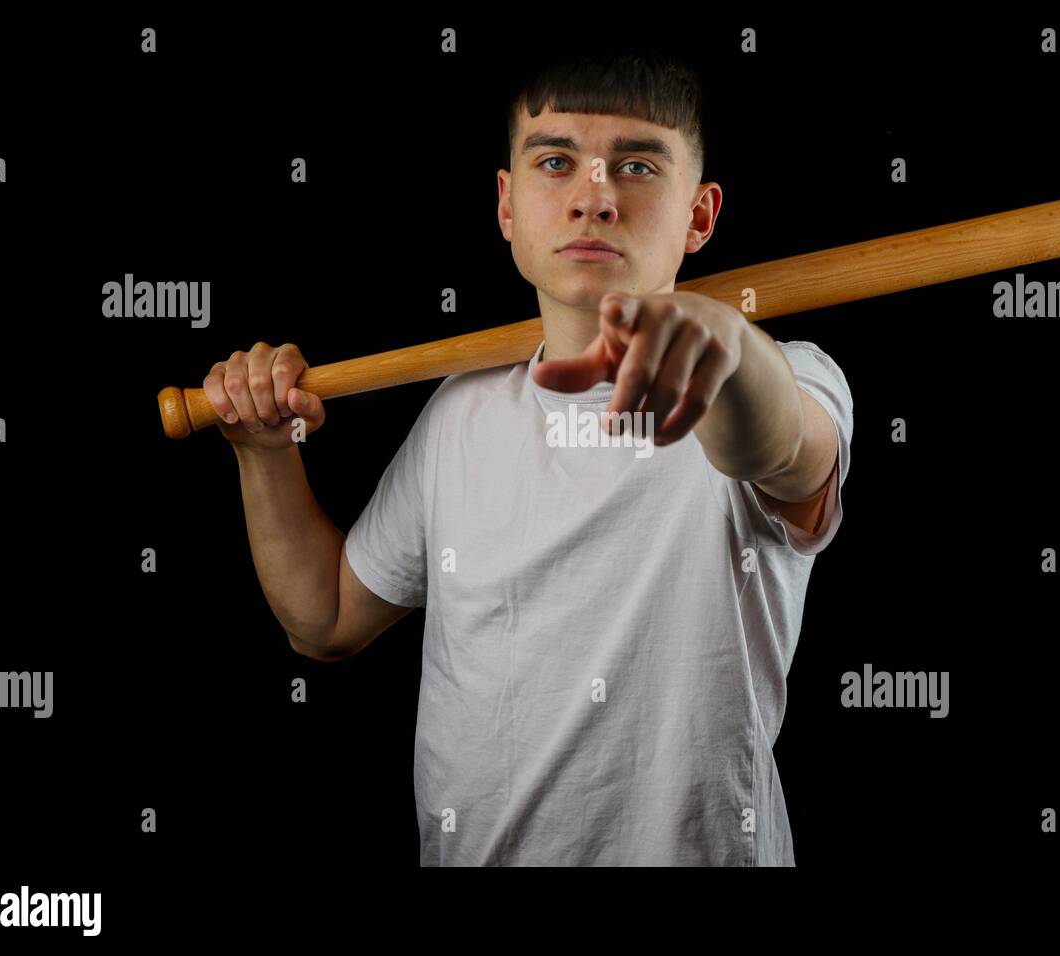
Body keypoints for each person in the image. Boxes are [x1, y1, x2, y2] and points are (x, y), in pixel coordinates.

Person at [203, 51, 853, 865]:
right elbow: (325, 622)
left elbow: (783, 447)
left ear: (699, 214)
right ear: (508, 205)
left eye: (638, 164)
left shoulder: (785, 376)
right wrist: (263, 452)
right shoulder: (461, 414)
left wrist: (728, 346)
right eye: (556, 161)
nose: (594, 196)